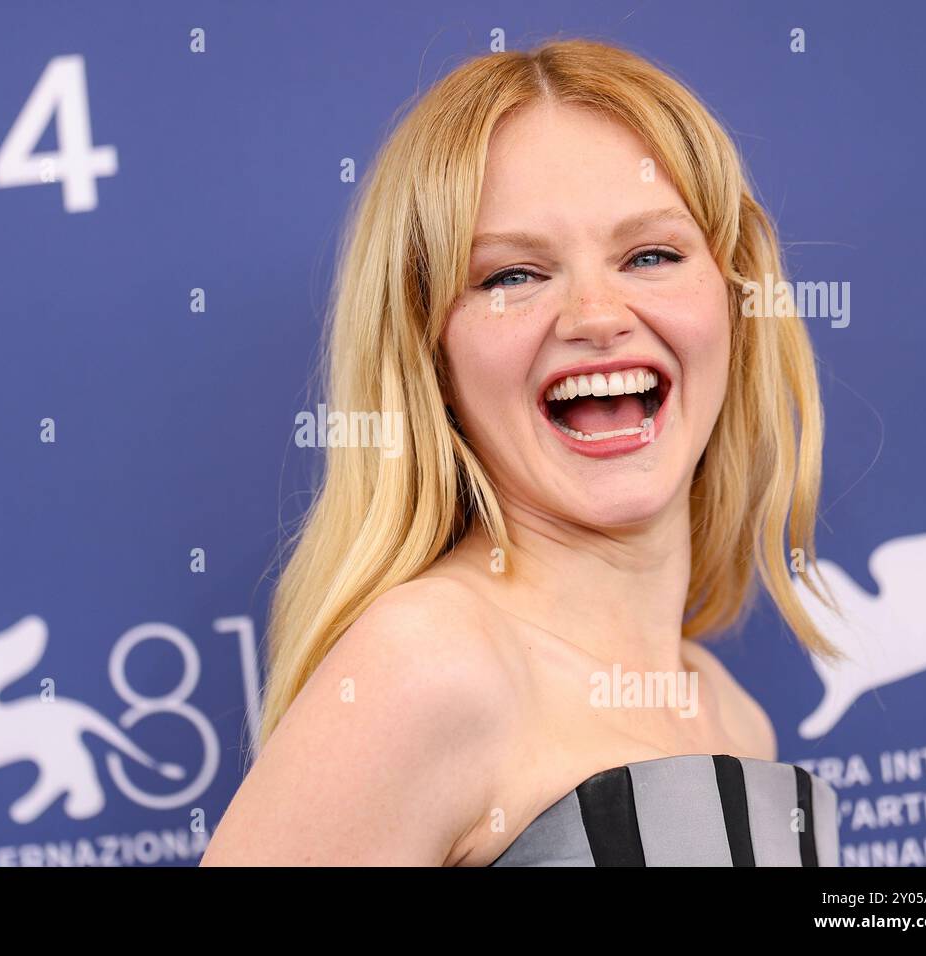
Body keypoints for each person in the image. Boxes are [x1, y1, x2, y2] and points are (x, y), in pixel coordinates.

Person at [202, 37, 843, 866]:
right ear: (429, 356)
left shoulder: (736, 715)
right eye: (512, 276)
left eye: (651, 255)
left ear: (735, 301)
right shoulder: (427, 663)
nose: (595, 313)